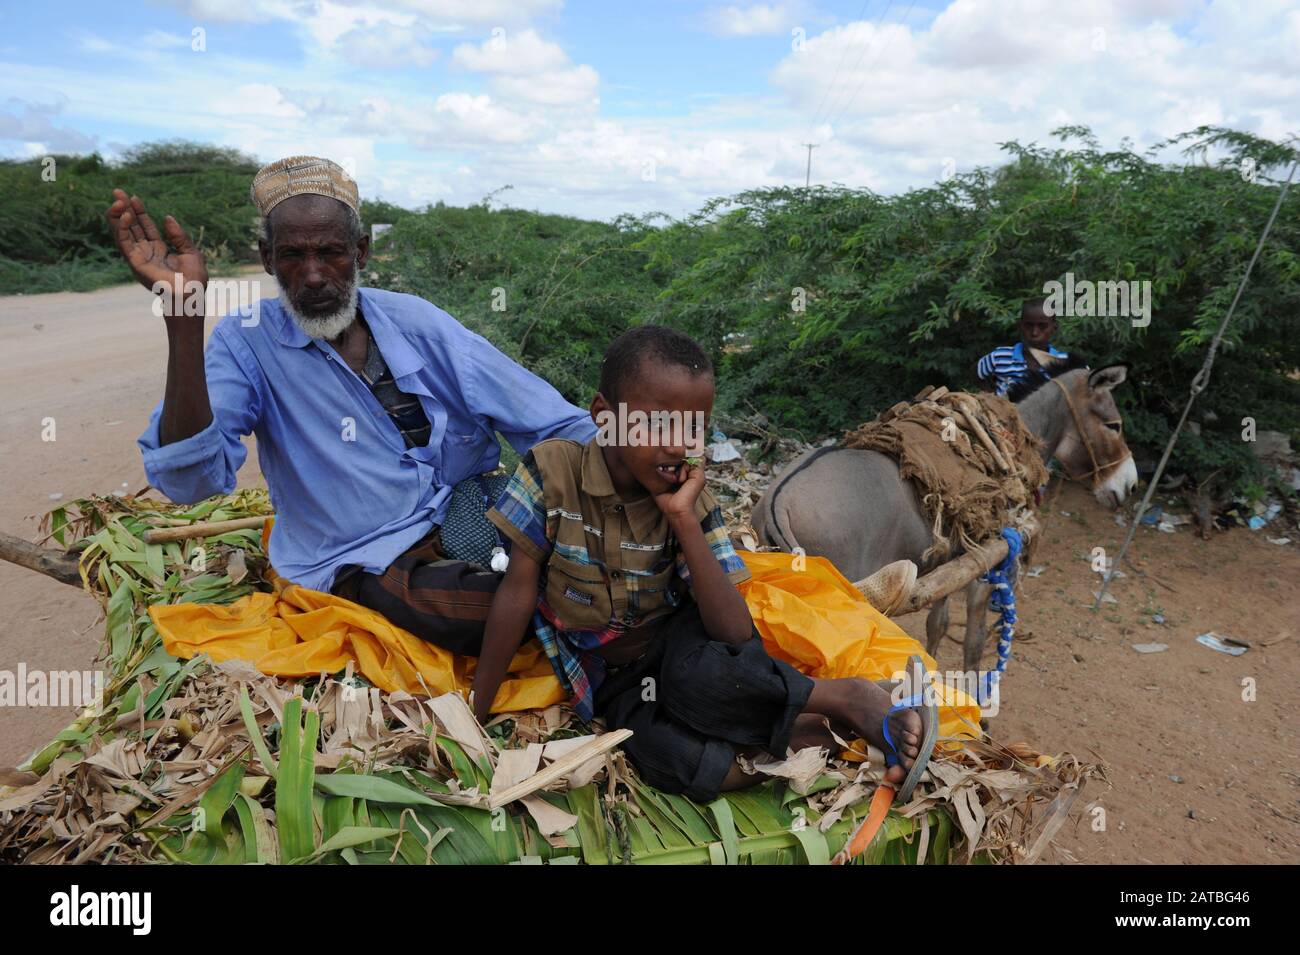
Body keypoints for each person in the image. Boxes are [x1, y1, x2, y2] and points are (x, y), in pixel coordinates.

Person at [106, 156, 595, 655]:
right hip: (370, 554)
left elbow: (552, 422)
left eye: (331, 252)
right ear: (268, 258)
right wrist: (183, 314)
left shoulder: (418, 322)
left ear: (360, 252)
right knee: (499, 613)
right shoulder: (246, 342)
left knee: (596, 569)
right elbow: (192, 482)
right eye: (293, 255)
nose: (313, 275)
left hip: (471, 511)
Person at [471, 326, 925, 801]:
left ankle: (845, 696)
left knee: (702, 681)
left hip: (682, 647)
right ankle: (815, 734)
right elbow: (517, 592)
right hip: (615, 677)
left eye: (694, 428)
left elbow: (733, 633)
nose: (677, 446)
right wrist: (477, 715)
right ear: (605, 417)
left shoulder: (690, 497)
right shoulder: (552, 471)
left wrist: (684, 520)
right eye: (658, 423)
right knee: (675, 763)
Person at [976, 297, 1069, 396]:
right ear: (1020, 326)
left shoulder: (1066, 363)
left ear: (1054, 328)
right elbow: (976, 372)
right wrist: (990, 397)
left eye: (1042, 326)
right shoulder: (1000, 356)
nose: (1035, 332)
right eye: (1028, 326)